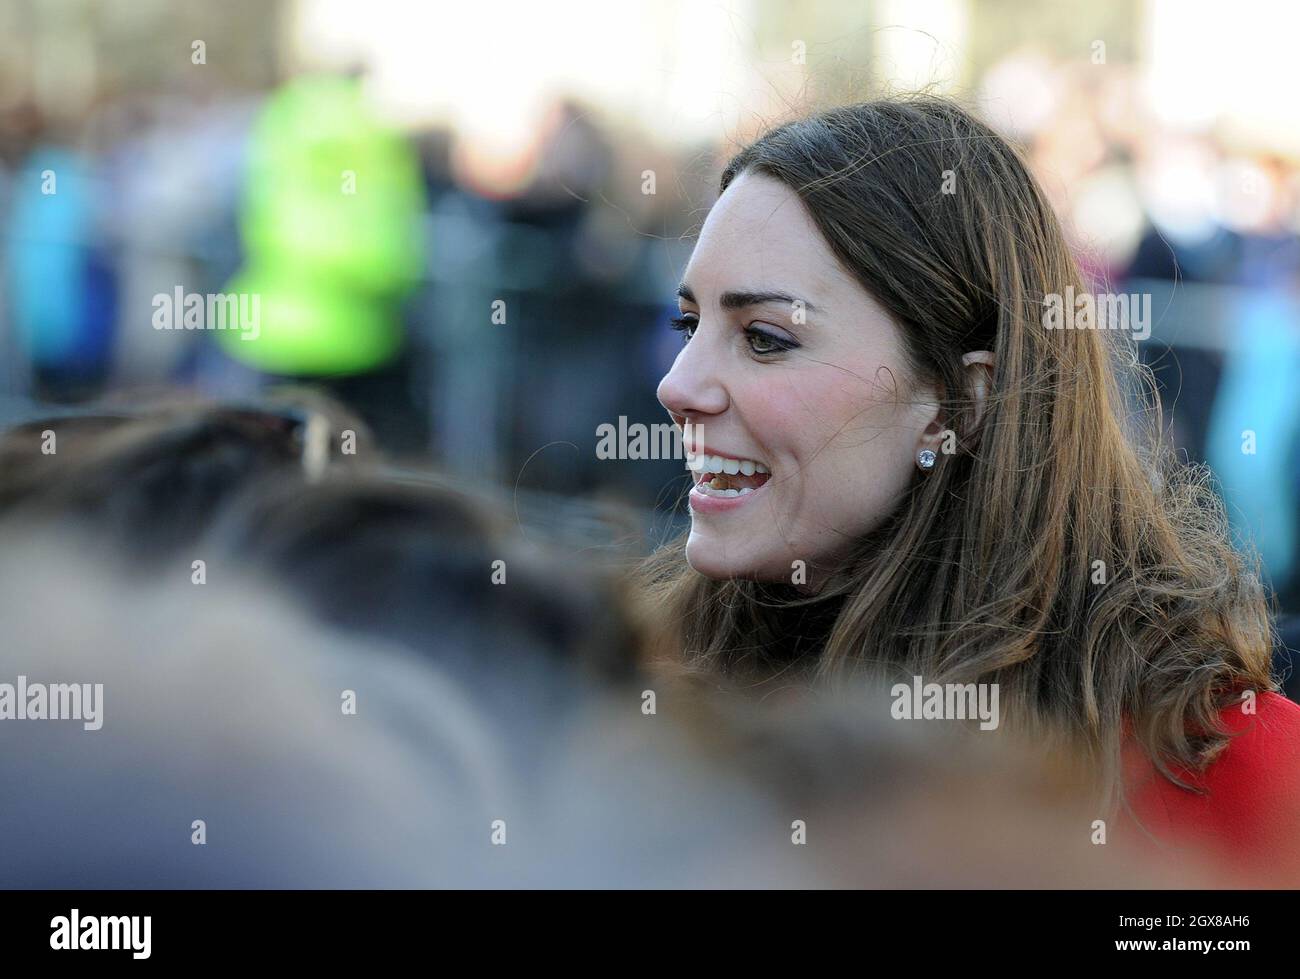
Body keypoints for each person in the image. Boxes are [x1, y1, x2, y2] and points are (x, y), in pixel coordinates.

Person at [638, 95, 1300, 880]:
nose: (677, 386)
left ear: (961, 399)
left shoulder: (1231, 767)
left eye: (764, 338)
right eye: (690, 326)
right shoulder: (640, 718)